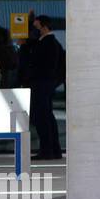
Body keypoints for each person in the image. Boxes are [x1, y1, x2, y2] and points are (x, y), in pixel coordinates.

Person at [29, 15, 65, 160]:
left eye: (36, 27)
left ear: (43, 27)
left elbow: (42, 65)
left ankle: (47, 149)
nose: (34, 31)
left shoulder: (48, 43)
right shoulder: (51, 43)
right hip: (46, 84)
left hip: (43, 84)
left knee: (42, 117)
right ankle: (53, 149)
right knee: (47, 116)